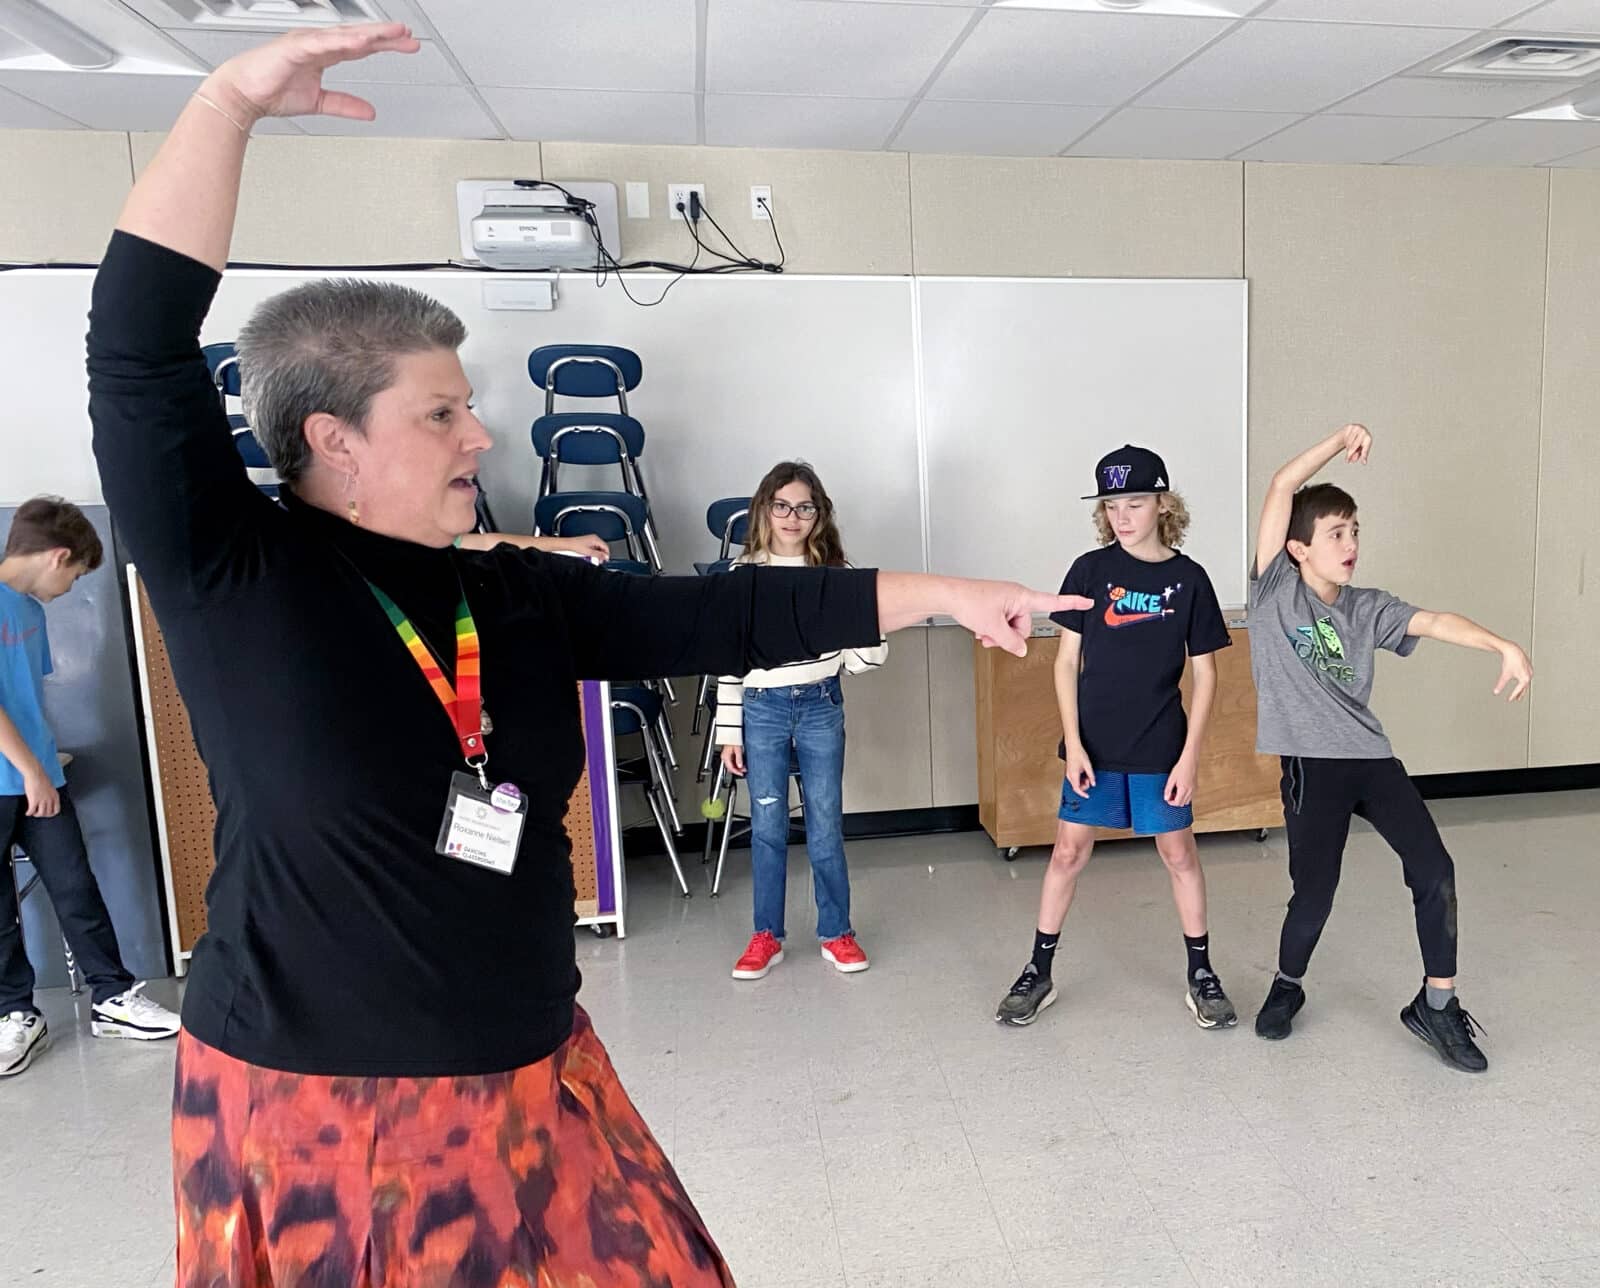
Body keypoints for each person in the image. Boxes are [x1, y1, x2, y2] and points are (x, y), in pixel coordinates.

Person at [87, 23, 1090, 1285]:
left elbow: (734, 615)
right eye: (441, 410)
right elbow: (133, 346)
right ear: (334, 439)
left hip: (530, 1073)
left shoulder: (515, 596)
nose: (477, 430)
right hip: (311, 1108)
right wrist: (228, 104)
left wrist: (950, 592)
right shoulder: (234, 569)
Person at [1249, 424, 1532, 1072]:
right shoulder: (1273, 593)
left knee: (1435, 869)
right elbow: (1281, 485)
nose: (1350, 544)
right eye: (1336, 534)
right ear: (1298, 548)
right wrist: (1337, 440)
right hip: (1311, 767)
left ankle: (1436, 1005)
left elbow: (1432, 621)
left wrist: (1501, 645)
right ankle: (1287, 985)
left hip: (1372, 761)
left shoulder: (1366, 608)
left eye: (1355, 531)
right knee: (1314, 893)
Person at [995, 446, 1237, 1030]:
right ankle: (1038, 970)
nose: (1123, 515)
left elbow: (1206, 673)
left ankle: (1202, 973)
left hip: (1161, 746)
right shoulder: (1090, 571)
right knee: (1067, 852)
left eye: (1136, 502)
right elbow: (1064, 664)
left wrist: (1190, 758)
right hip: (1094, 746)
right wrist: (1073, 745)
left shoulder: (1189, 579)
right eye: (1112, 504)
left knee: (1178, 854)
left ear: (1162, 504)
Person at [1, 496, 181, 1079]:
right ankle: (15, 1014)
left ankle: (111, 997)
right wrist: (29, 769)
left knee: (76, 888)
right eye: (76, 574)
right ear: (58, 556)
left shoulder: (29, 613)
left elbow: (28, 702)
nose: (73, 587)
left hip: (40, 777)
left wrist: (41, 766)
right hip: (20, 776)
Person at [715, 462, 887, 980]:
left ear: (819, 516)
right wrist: (729, 732)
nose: (793, 517)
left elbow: (869, 641)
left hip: (819, 704)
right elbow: (728, 658)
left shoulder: (836, 574)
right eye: (783, 506)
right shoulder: (742, 575)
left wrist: (852, 658)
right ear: (765, 509)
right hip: (761, 709)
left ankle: (837, 932)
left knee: (825, 823)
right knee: (767, 825)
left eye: (805, 508)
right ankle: (766, 934)